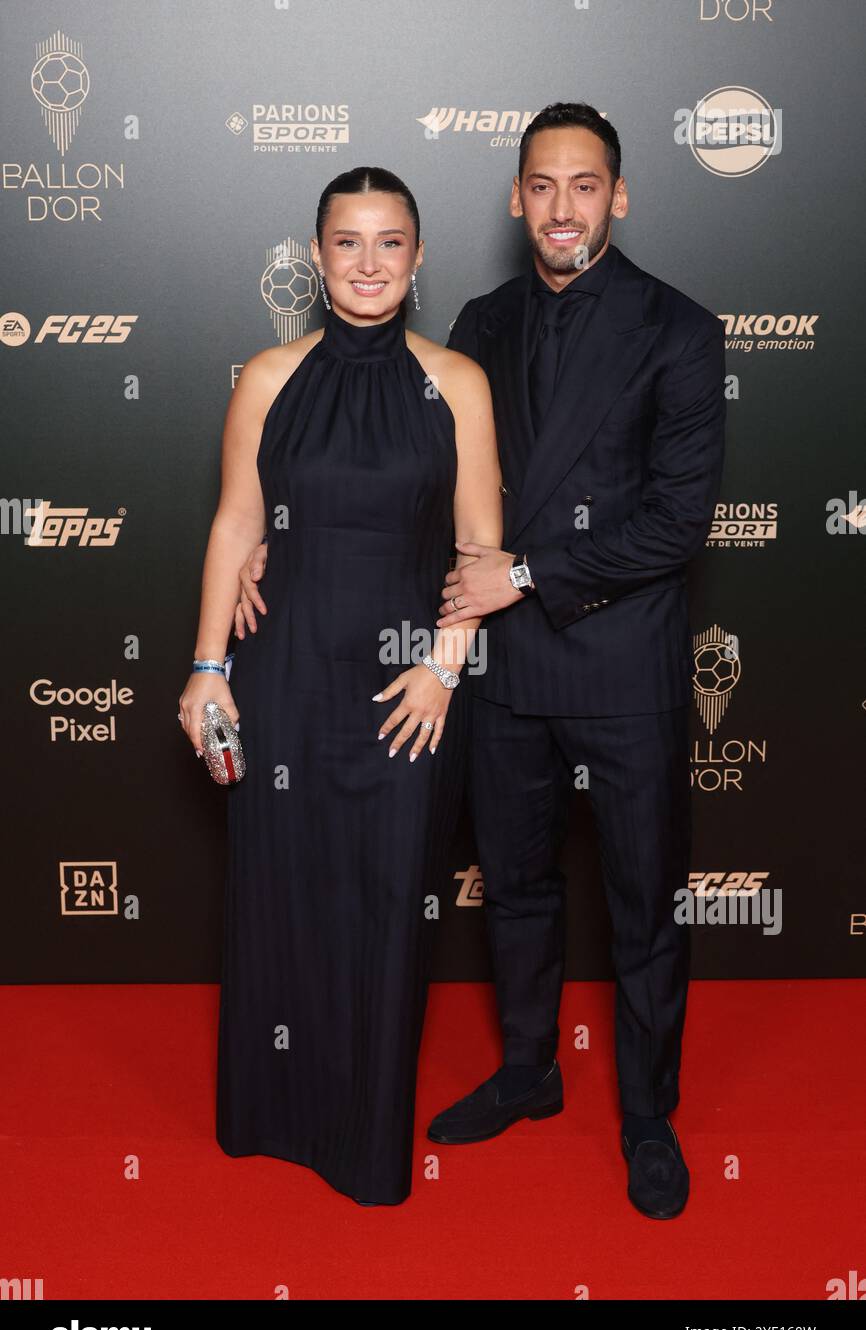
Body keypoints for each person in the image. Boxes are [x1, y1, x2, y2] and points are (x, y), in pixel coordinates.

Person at [235, 103, 727, 1220]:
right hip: (496, 672)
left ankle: (647, 1117)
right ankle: (526, 1071)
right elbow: (413, 484)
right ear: (515, 199)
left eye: (584, 184)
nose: (561, 206)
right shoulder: (478, 323)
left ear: (618, 194)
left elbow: (675, 523)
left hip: (613, 664)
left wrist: (533, 573)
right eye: (541, 185)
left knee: (643, 903)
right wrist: (280, 524)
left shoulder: (679, 331)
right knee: (514, 889)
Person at [178, 166, 502, 1206]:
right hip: (285, 679)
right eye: (347, 243)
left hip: (405, 689)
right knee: (284, 899)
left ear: (418, 257)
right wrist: (205, 667)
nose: (368, 263)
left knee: (379, 910)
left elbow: (482, 547)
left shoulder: (454, 381)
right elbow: (235, 523)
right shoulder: (268, 377)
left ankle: (361, 1142)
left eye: (389, 243)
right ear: (315, 260)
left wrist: (443, 669)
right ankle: (272, 1116)